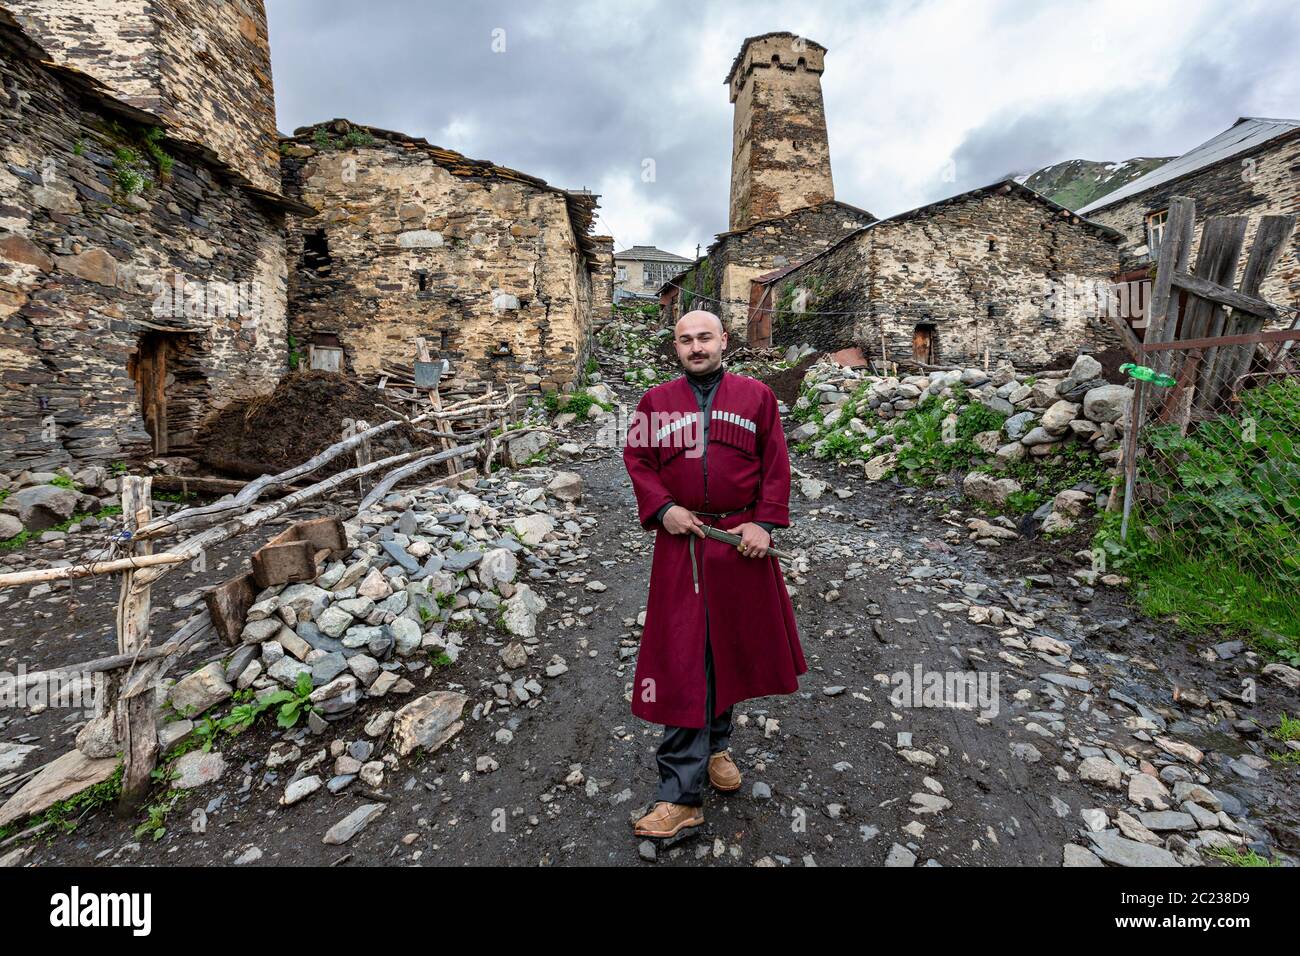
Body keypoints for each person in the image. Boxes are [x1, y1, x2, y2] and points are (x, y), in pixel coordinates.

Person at [622, 308, 806, 839]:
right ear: (675, 347)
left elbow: (776, 463)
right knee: (682, 658)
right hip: (683, 546)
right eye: (686, 340)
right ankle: (679, 796)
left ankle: (718, 745)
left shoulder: (757, 398)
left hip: (738, 546)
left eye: (705, 337)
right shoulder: (655, 403)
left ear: (725, 340)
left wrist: (765, 523)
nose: (696, 347)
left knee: (726, 647)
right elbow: (638, 460)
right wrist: (663, 509)